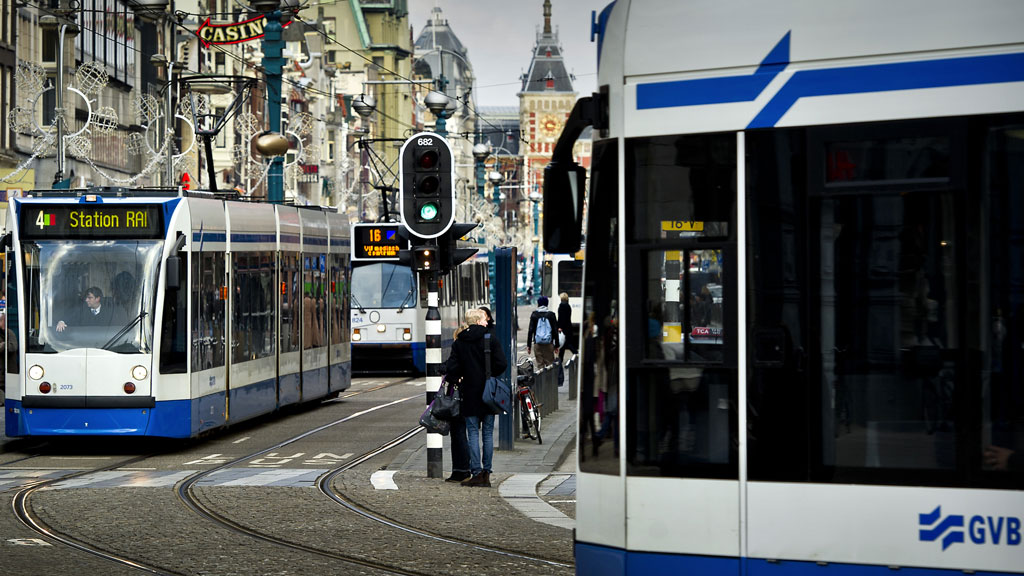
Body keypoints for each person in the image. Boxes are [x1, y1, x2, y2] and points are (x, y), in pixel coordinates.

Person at [445, 308, 507, 487]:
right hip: (488, 392)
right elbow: (501, 363)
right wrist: (489, 375)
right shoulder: (490, 339)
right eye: (484, 319)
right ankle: (487, 472)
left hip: (469, 392)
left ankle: (476, 472)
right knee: (487, 433)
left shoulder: (460, 342)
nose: (487, 322)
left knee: (472, 432)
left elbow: (452, 368)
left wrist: (462, 376)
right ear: (479, 321)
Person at [445, 322, 472, 483]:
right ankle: (467, 468)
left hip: (458, 396)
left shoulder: (459, 346)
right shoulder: (476, 345)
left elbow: (451, 368)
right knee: (469, 433)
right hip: (471, 394)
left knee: (458, 434)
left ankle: (461, 470)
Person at [527, 295, 559, 369]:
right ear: (547, 304)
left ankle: (540, 381)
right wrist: (556, 345)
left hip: (537, 344)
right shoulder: (551, 315)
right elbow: (555, 330)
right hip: (549, 343)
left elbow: (530, 330)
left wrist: (528, 345)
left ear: (538, 304)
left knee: (540, 365)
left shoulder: (534, 314)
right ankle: (549, 380)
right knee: (550, 365)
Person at [557, 292, 575, 364]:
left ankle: (575, 353)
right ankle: (560, 359)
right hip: (568, 326)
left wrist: (559, 327)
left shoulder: (561, 306)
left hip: (563, 328)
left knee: (565, 344)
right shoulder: (568, 306)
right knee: (565, 344)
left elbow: (561, 318)